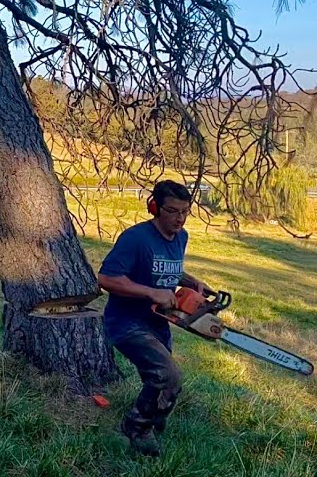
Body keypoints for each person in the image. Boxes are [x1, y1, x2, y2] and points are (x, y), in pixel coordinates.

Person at [97, 179, 210, 457]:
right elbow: (107, 278)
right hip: (126, 322)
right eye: (172, 211)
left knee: (165, 381)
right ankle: (135, 429)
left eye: (184, 211)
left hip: (158, 322)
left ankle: (154, 418)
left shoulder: (181, 237)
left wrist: (192, 282)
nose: (179, 218)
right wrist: (151, 292)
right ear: (155, 208)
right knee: (168, 376)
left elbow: (169, 268)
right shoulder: (135, 238)